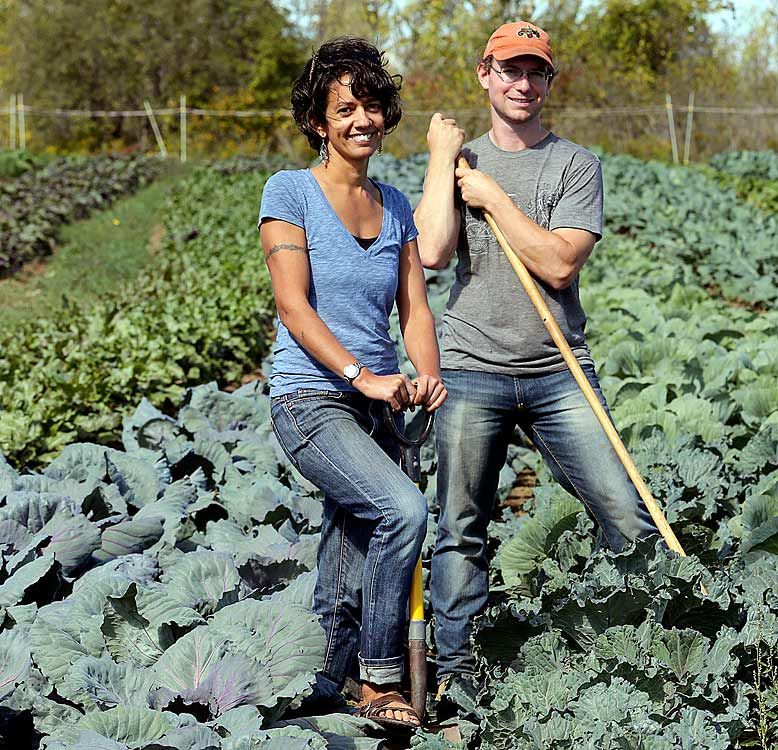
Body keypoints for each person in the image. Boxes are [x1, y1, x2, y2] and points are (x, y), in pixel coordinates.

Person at [413, 21, 658, 699]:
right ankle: (458, 673)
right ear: (484, 74)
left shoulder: (575, 164)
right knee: (461, 525)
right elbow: (432, 253)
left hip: (558, 368)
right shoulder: (459, 164)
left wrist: (495, 200)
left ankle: (628, 654)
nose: (523, 84)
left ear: (550, 82)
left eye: (536, 73)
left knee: (626, 515)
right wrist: (441, 160)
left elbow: (556, 263)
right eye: (509, 70)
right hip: (469, 366)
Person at [259, 37, 446, 732]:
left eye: (371, 105)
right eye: (345, 108)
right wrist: (361, 376)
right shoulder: (289, 192)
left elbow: (415, 308)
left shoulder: (394, 203)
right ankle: (378, 678)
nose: (361, 119)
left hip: (381, 403)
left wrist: (426, 375)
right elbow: (293, 307)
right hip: (311, 398)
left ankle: (323, 679)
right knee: (400, 511)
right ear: (318, 121)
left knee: (355, 538)